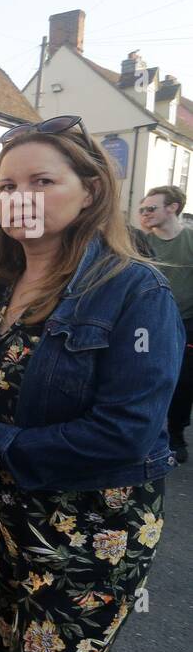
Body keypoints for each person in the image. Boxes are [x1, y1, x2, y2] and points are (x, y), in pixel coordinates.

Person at [0, 115, 179, 652]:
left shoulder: (134, 290)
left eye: (41, 180)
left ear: (89, 192)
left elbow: (127, 431)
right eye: (6, 185)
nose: (19, 195)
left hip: (85, 536)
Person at [138, 185, 192, 463]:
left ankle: (176, 434)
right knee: (147, 378)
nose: (144, 214)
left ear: (172, 208)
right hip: (150, 323)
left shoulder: (190, 241)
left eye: (151, 208)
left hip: (187, 322)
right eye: (142, 210)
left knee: (184, 381)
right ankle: (145, 435)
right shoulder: (142, 243)